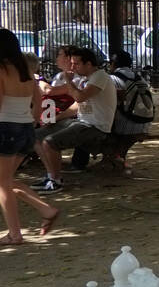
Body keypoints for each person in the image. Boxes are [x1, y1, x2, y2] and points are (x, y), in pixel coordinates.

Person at [0, 29, 60, 243]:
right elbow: (39, 99)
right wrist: (31, 122)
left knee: (2, 183)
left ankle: (15, 234)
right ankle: (45, 209)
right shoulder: (25, 69)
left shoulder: (1, 70)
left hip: (6, 129)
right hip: (25, 128)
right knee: (4, 180)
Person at [32, 47, 116, 193]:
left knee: (50, 142)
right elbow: (77, 105)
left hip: (95, 126)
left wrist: (68, 81)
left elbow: (80, 97)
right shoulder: (85, 79)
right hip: (80, 122)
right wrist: (56, 118)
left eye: (76, 64)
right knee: (37, 136)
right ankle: (51, 175)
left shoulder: (100, 77)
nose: (73, 67)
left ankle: (56, 181)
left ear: (88, 64)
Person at [104, 50, 153, 173]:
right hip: (144, 121)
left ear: (113, 64)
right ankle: (117, 158)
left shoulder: (113, 79)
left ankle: (114, 159)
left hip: (129, 122)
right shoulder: (137, 77)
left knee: (103, 127)